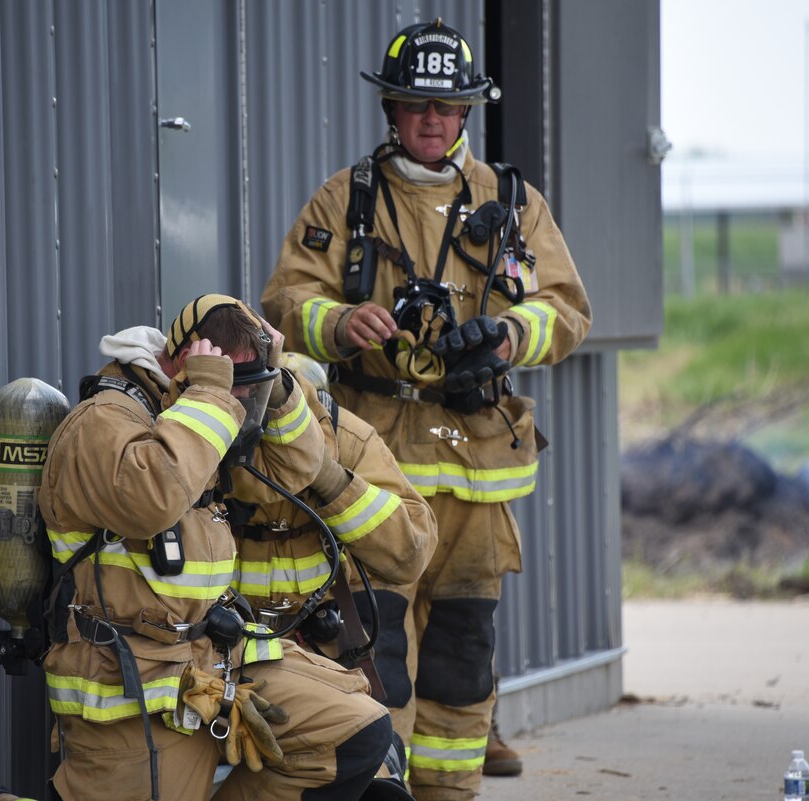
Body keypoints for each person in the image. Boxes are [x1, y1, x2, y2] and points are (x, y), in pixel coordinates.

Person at [261, 20, 592, 801]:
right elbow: (286, 298)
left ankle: (450, 793)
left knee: (462, 652)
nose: (431, 121)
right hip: (379, 461)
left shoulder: (513, 204)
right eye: (415, 105)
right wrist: (341, 323)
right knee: (376, 648)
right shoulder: (348, 199)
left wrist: (511, 334)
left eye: (446, 108)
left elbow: (569, 310)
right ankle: (386, 791)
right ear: (393, 110)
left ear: (469, 111)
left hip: (482, 469)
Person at [37, 294, 393, 801]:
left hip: (212, 660)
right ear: (184, 366)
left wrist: (278, 386)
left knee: (359, 732)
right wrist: (209, 393)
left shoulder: (193, 414)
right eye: (237, 394)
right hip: (133, 684)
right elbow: (152, 498)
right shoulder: (102, 422)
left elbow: (295, 472)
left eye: (249, 396)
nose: (242, 413)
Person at [228, 351, 437, 772]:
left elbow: (410, 551)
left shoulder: (349, 438)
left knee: (373, 751)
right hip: (227, 649)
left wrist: (327, 477)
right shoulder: (215, 436)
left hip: (323, 645)